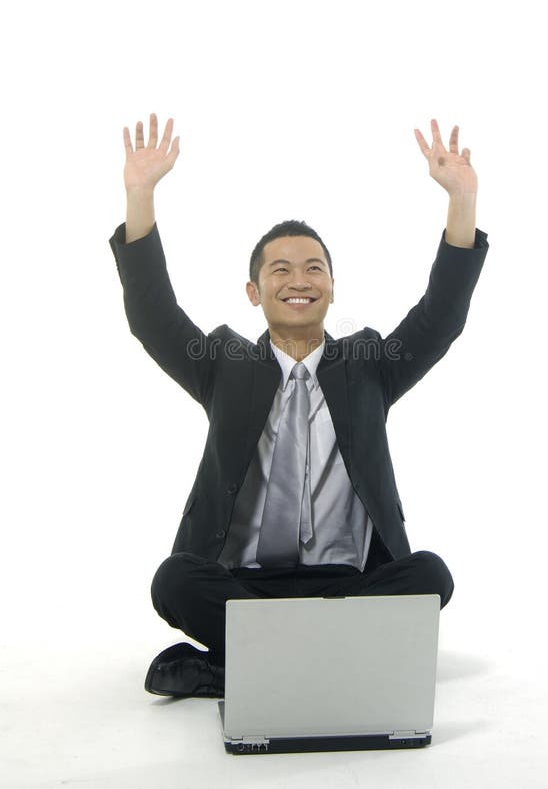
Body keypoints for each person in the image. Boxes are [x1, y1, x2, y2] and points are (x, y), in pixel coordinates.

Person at [109, 113, 489, 699]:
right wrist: (141, 194)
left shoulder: (369, 362)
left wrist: (462, 201)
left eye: (315, 268)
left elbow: (441, 315)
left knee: (430, 576)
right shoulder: (222, 363)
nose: (298, 279)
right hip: (245, 588)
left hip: (347, 586)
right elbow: (153, 315)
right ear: (254, 292)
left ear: (332, 287)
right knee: (175, 579)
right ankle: (331, 660)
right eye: (279, 269)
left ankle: (239, 669)